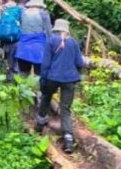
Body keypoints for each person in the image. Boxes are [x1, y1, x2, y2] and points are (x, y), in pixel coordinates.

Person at [37, 19, 89, 154]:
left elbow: (45, 64)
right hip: (69, 80)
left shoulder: (50, 41)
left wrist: (43, 80)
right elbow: (79, 62)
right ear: (67, 30)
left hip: (52, 77)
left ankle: (39, 124)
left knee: (46, 97)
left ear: (55, 29)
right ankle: (68, 141)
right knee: (65, 109)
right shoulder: (73, 43)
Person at [15, 0, 52, 78]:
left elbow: (20, 27)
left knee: (23, 75)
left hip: (23, 48)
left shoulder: (23, 13)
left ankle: (22, 90)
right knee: (38, 76)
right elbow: (49, 33)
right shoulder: (44, 14)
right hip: (39, 49)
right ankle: (38, 91)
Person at [0, 0, 22, 83]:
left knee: (5, 60)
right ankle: (14, 82)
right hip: (15, 40)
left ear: (4, 0)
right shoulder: (19, 9)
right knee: (14, 62)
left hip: (3, 40)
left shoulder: (1, 8)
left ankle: (2, 78)